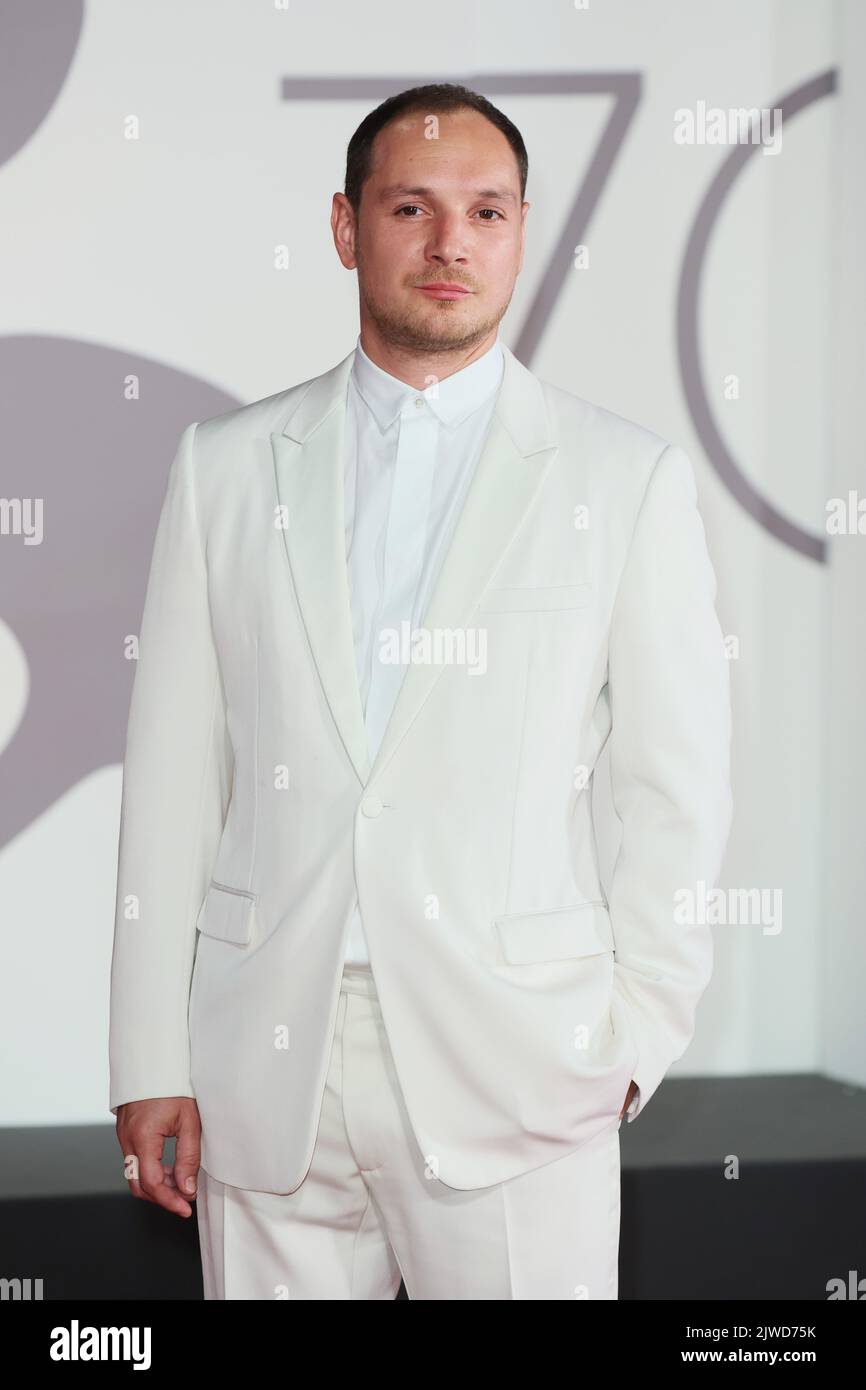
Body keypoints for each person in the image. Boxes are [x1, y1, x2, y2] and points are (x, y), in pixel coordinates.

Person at [109, 82, 733, 1300]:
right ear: (346, 228)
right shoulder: (225, 467)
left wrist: (631, 1042)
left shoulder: (625, 479)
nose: (453, 243)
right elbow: (174, 774)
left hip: (519, 1069)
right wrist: (147, 1054)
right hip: (266, 1064)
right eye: (412, 206)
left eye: (486, 211)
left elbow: (677, 789)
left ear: (519, 229)